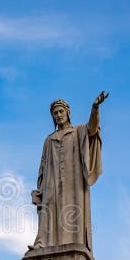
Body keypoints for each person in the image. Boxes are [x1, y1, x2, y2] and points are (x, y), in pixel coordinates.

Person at [29, 93, 107, 250]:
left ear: (67, 113)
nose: (58, 115)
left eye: (61, 111)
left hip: (74, 182)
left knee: (73, 211)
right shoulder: (49, 140)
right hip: (51, 183)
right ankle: (43, 243)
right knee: (49, 211)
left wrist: (95, 108)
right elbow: (43, 166)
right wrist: (40, 188)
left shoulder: (78, 131)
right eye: (55, 113)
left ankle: (74, 244)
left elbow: (92, 128)